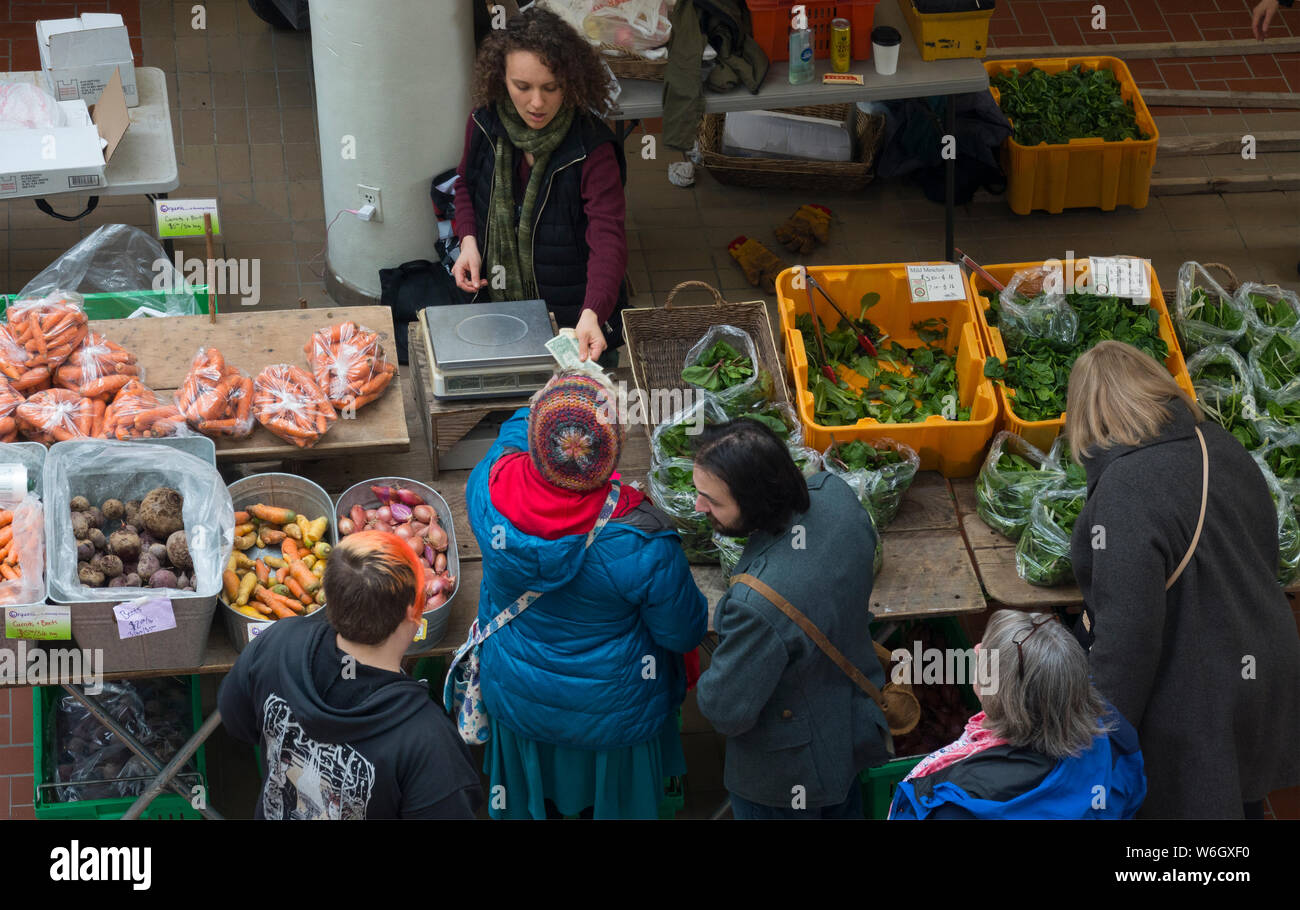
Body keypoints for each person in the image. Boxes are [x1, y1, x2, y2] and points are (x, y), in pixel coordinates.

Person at [1065, 340, 1300, 819]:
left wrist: (1097, 745)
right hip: (1264, 661)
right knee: (1240, 803)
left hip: (1201, 685)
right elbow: (1265, 549)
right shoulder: (1221, 445)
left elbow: (1127, 636)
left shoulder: (1126, 488)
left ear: (1089, 416)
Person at [465, 372, 707, 819]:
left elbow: (515, 431)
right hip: (613, 717)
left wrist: (559, 395)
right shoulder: (642, 539)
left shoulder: (487, 486)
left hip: (519, 698)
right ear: (610, 456)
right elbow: (682, 632)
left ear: (539, 444)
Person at [692, 419, 892, 819]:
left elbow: (725, 710)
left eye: (711, 500)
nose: (699, 507)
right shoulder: (836, 494)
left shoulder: (757, 603)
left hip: (790, 773)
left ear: (754, 503)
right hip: (850, 727)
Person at [218, 531, 483, 819]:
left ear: (329, 597)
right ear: (414, 612)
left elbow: (236, 719)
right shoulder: (430, 744)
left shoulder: (277, 642)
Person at [452, 7, 628, 367]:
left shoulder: (592, 149)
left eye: (551, 87)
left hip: (576, 326)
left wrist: (593, 312)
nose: (536, 102)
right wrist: (468, 241)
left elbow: (608, 239)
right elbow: (464, 187)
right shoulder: (484, 122)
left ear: (572, 81)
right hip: (498, 318)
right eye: (522, 86)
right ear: (501, 78)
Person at [889, 610, 1147, 820]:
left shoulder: (955, 807)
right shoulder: (1115, 734)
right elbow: (1128, 801)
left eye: (985, 654)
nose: (977, 648)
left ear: (1002, 696)